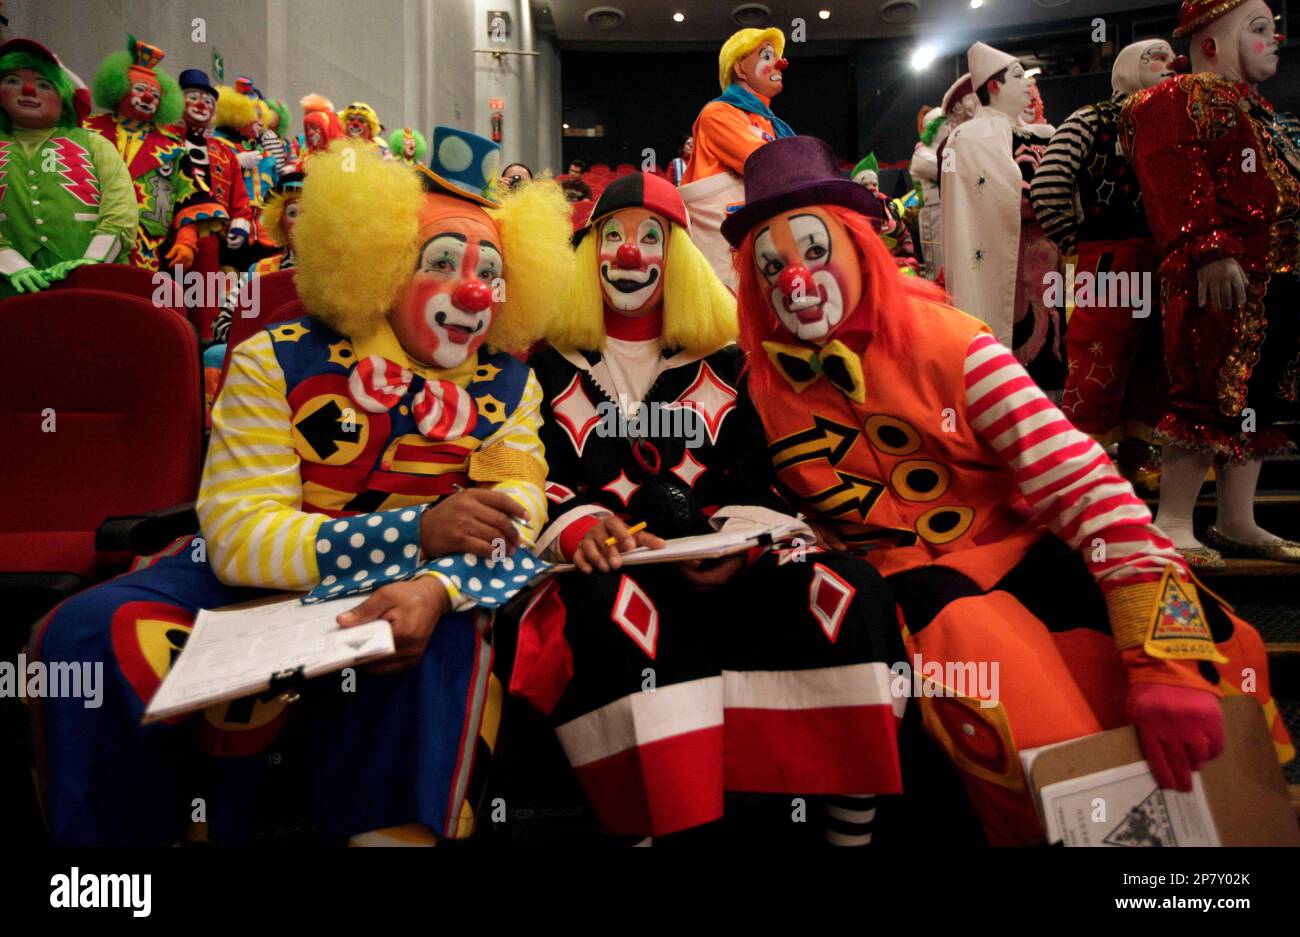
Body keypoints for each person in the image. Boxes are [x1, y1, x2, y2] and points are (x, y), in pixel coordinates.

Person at [721, 134, 1291, 845]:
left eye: (812, 250)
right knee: (1017, 701)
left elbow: (1084, 483)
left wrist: (1162, 660)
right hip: (912, 584)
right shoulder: (758, 388)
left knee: (1218, 649)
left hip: (1019, 545)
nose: (794, 281)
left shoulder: (953, 341)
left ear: (856, 245)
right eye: (771, 266)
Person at [32, 128, 575, 846]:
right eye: (442, 262)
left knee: (435, 640)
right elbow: (239, 537)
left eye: (489, 270)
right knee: (89, 632)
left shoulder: (512, 384)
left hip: (413, 585)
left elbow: (518, 512)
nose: (473, 290)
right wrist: (412, 532)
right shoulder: (274, 358)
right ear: (379, 265)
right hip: (249, 583)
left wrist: (434, 585)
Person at [508, 172, 906, 844]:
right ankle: (659, 823)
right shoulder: (546, 369)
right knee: (617, 616)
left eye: (650, 237)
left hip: (720, 561)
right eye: (613, 237)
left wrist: (733, 543)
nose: (629, 255)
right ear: (589, 252)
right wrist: (578, 526)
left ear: (680, 257)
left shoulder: (725, 363)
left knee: (848, 590)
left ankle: (850, 830)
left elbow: (754, 476)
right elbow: (535, 473)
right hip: (607, 571)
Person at [1120, 0, 1300, 566]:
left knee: (1256, 396)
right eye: (1259, 29)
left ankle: (1236, 519)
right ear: (1211, 44)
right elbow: (1170, 171)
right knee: (1205, 390)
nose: (1275, 39)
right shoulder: (1176, 99)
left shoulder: (1260, 111)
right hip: (1220, 276)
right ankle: (1172, 520)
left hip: (1274, 276)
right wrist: (1205, 248)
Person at [1029, 39, 1179, 489]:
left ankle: (1137, 456)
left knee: (1155, 359)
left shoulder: (1174, 123)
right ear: (1131, 68)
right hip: (1109, 257)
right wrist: (1075, 240)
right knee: (1099, 360)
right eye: (1158, 59)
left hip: (1164, 258)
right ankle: (1081, 466)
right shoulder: (1090, 120)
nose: (1171, 66)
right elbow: (1048, 183)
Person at [943, 42, 1065, 395]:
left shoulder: (1045, 134)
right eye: (1017, 76)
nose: (1028, 84)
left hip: (1050, 267)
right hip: (1006, 267)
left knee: (1054, 347)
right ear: (993, 86)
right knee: (1015, 348)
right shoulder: (968, 139)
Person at [0, 38, 135, 297]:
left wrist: (94, 262)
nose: (28, 90)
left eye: (44, 84)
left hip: (94, 288)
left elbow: (120, 209)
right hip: (8, 294)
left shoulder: (93, 142)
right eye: (13, 80)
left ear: (64, 98)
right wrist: (11, 265)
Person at [83, 34, 213, 273]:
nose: (147, 98)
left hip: (146, 252)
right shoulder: (86, 131)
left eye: (155, 95)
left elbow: (192, 197)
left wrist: (186, 241)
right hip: (86, 242)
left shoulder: (172, 147)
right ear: (118, 88)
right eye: (140, 89)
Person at [679, 27, 792, 288]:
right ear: (740, 70)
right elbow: (766, 165)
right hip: (725, 249)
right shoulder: (717, 113)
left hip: (755, 241)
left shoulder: (769, 121)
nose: (780, 63)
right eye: (766, 56)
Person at [173, 68, 252, 309]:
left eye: (208, 100)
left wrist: (240, 227)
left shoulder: (224, 153)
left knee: (209, 304)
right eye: (193, 97)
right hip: (170, 239)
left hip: (213, 244)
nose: (201, 104)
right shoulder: (164, 142)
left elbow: (240, 200)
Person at [851, 153, 918, 273]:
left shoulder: (889, 208)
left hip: (893, 265)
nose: (872, 187)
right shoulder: (850, 212)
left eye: (874, 184)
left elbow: (905, 238)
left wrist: (907, 261)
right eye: (865, 184)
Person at [908, 107, 945, 280]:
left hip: (952, 210)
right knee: (937, 267)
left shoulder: (950, 151)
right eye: (945, 124)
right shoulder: (921, 154)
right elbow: (949, 171)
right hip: (934, 213)